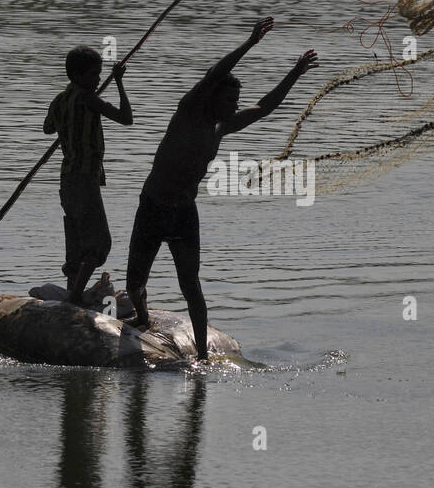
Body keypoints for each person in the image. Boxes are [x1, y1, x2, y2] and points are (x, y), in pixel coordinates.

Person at [125, 18, 318, 360]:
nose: (233, 105)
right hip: (153, 205)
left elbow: (264, 108)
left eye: (235, 100)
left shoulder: (220, 126)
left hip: (183, 212)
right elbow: (214, 73)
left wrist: (294, 74)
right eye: (229, 99)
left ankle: (200, 354)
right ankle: (141, 318)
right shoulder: (187, 112)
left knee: (191, 285)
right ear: (212, 97)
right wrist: (249, 43)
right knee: (134, 283)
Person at [43, 45, 133, 305]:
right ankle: (73, 297)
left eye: (99, 75)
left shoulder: (60, 100)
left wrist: (68, 126)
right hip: (84, 180)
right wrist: (118, 83)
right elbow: (126, 118)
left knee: (77, 242)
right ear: (78, 75)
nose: (97, 80)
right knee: (98, 244)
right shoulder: (88, 99)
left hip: (67, 180)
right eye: (94, 75)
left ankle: (74, 291)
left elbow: (48, 128)